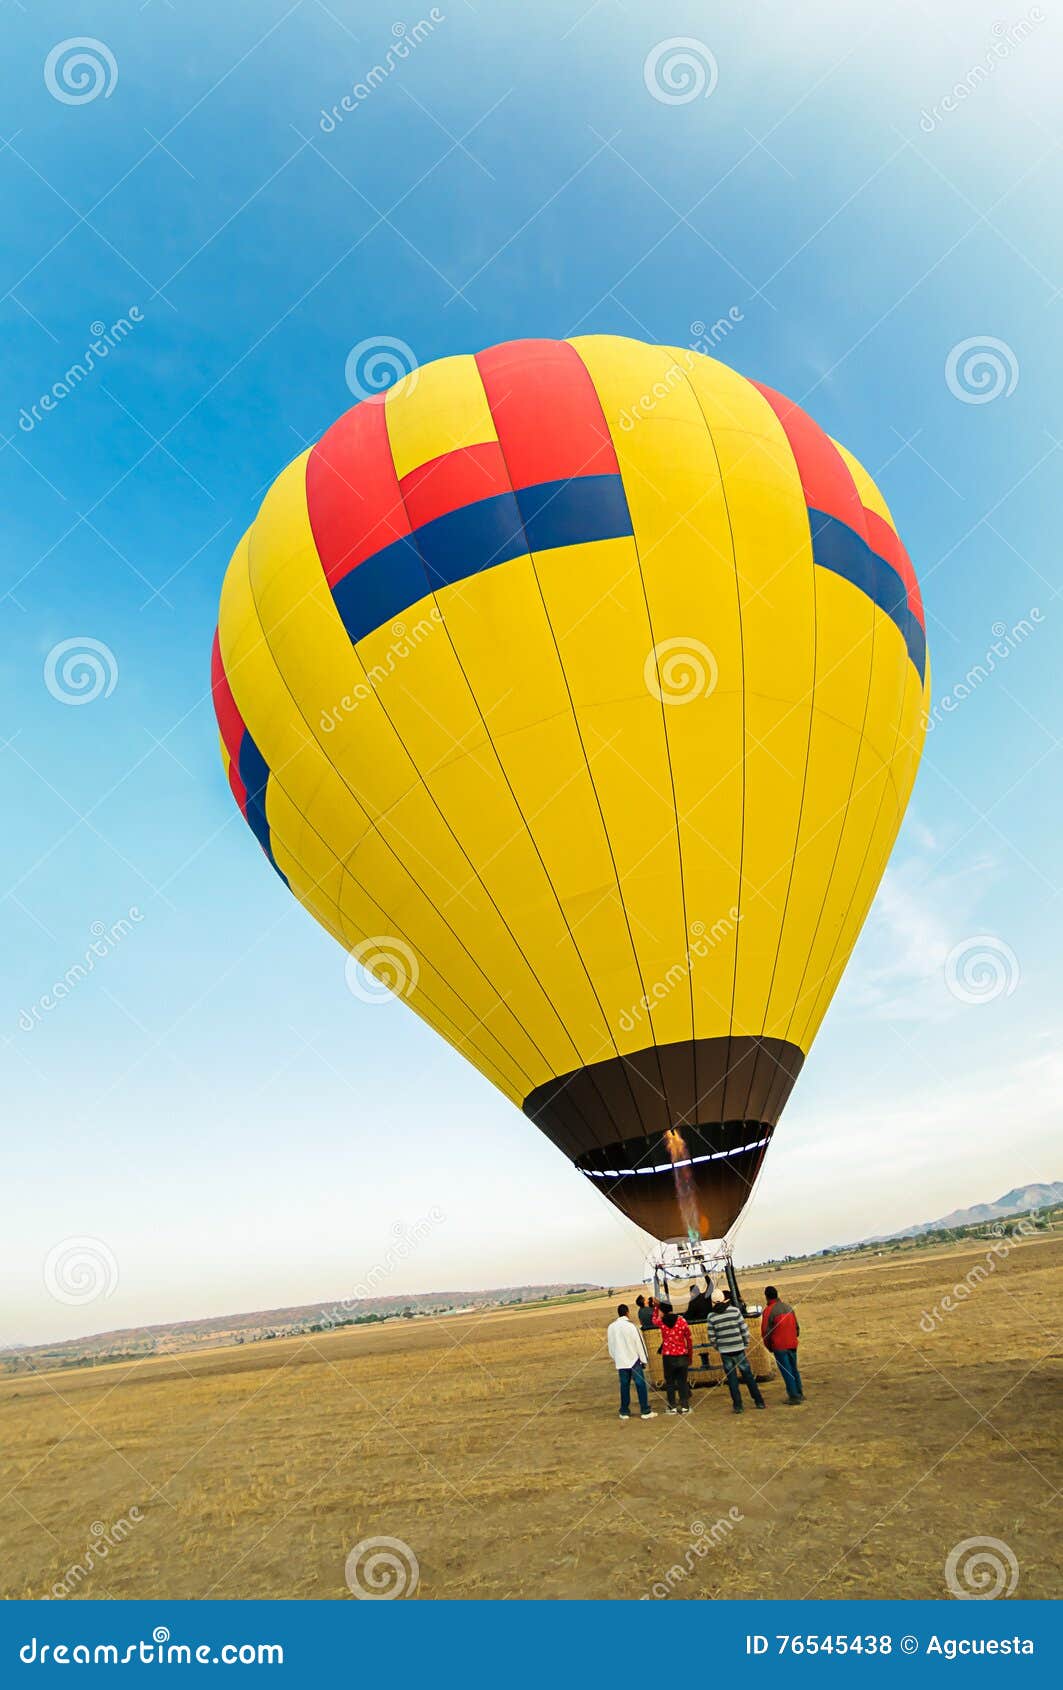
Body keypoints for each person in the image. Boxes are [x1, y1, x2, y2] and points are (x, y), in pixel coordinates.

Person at [706, 1288, 765, 1413]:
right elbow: (744, 1330)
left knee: (732, 1379)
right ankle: (759, 1401)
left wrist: (719, 1347)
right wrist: (745, 1343)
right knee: (748, 1376)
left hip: (725, 1351)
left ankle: (738, 1406)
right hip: (739, 1349)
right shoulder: (735, 1311)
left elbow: (712, 1337)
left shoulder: (711, 1316)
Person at [606, 1304, 657, 1421]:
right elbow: (640, 1344)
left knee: (624, 1385)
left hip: (621, 1361)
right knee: (640, 1385)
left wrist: (616, 1358)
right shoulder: (632, 1326)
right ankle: (645, 1410)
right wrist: (644, 1360)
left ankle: (624, 1411)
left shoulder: (611, 1327)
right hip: (634, 1360)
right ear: (627, 1313)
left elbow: (611, 1346)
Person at [761, 1285, 804, 1403]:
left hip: (779, 1346)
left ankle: (794, 1396)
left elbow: (765, 1332)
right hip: (792, 1343)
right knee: (794, 1369)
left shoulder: (768, 1311)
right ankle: (799, 1392)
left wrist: (769, 1346)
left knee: (787, 1371)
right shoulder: (788, 1307)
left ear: (766, 1297)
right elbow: (797, 1327)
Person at [652, 1301, 693, 1414]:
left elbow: (654, 1319)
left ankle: (672, 1406)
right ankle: (685, 1406)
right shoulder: (682, 1321)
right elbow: (689, 1339)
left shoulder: (661, 1322)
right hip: (682, 1354)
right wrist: (690, 1355)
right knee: (682, 1382)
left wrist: (656, 1308)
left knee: (670, 1382)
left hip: (668, 1356)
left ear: (662, 1311)